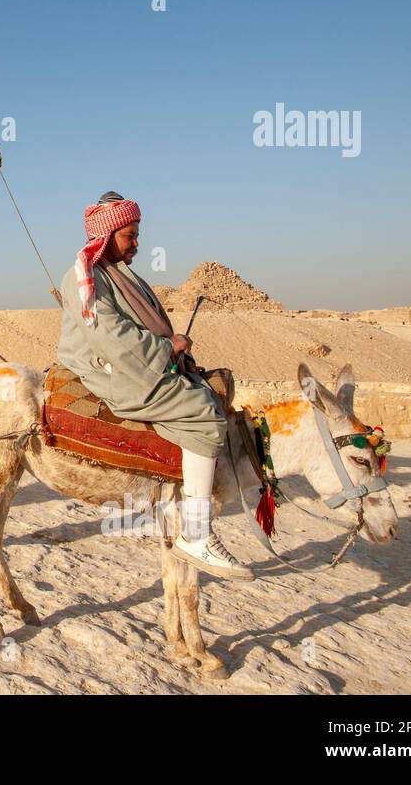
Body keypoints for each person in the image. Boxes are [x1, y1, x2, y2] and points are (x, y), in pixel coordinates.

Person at [57, 192, 253, 580]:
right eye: (130, 235)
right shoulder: (85, 275)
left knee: (206, 386)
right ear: (109, 233)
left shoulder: (121, 274)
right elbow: (111, 337)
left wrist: (172, 345)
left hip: (135, 359)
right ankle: (196, 534)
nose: (136, 244)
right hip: (107, 367)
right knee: (203, 412)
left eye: (137, 235)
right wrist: (164, 349)